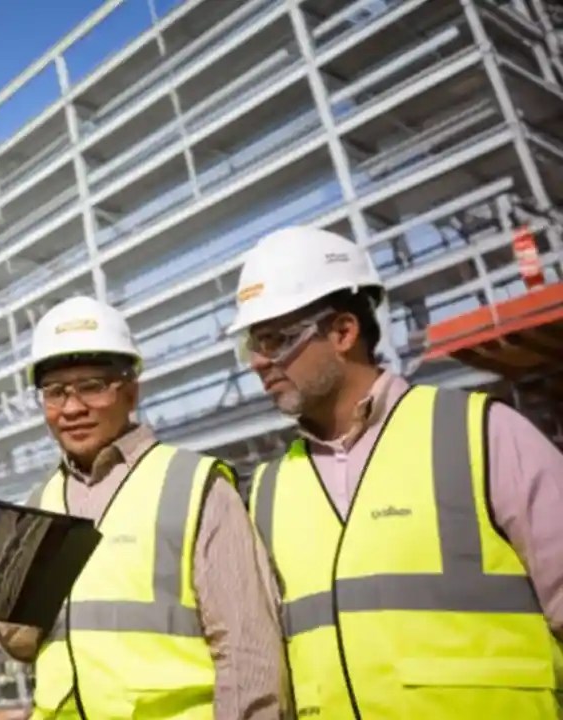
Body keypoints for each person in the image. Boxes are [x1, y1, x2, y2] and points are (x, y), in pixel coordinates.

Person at [228, 225, 563, 718]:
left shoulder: (481, 435)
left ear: (343, 332)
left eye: (275, 340)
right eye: (252, 345)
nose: (259, 362)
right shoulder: (269, 490)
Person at [0, 295, 291, 720]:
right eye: (55, 392)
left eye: (92, 386)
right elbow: (23, 644)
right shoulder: (41, 501)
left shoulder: (194, 486)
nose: (72, 408)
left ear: (131, 391)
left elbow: (249, 653)